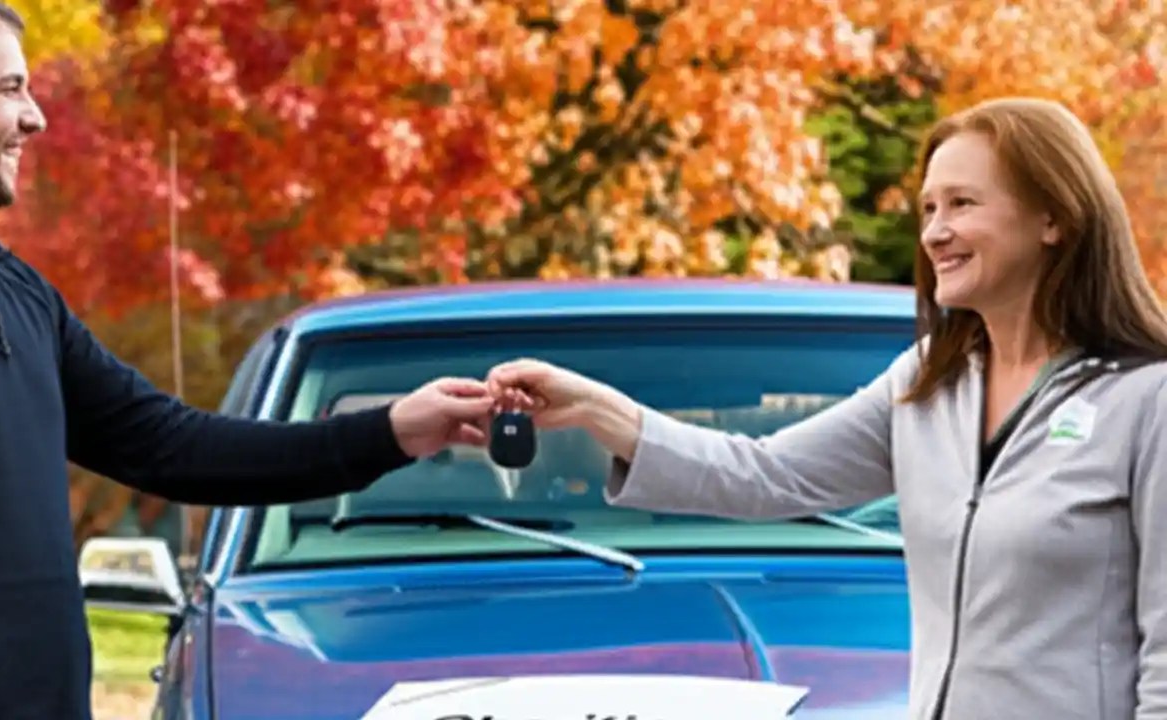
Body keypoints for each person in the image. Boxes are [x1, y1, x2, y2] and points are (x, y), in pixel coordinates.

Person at [0, 1, 494, 718]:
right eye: (10, 89)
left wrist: (391, 431)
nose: (36, 118)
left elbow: (171, 446)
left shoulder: (18, 293)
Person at [487, 97, 1167, 720]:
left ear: (1055, 217)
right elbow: (764, 475)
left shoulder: (1147, 398)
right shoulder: (927, 383)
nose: (935, 233)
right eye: (928, 209)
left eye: (962, 203)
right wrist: (597, 409)